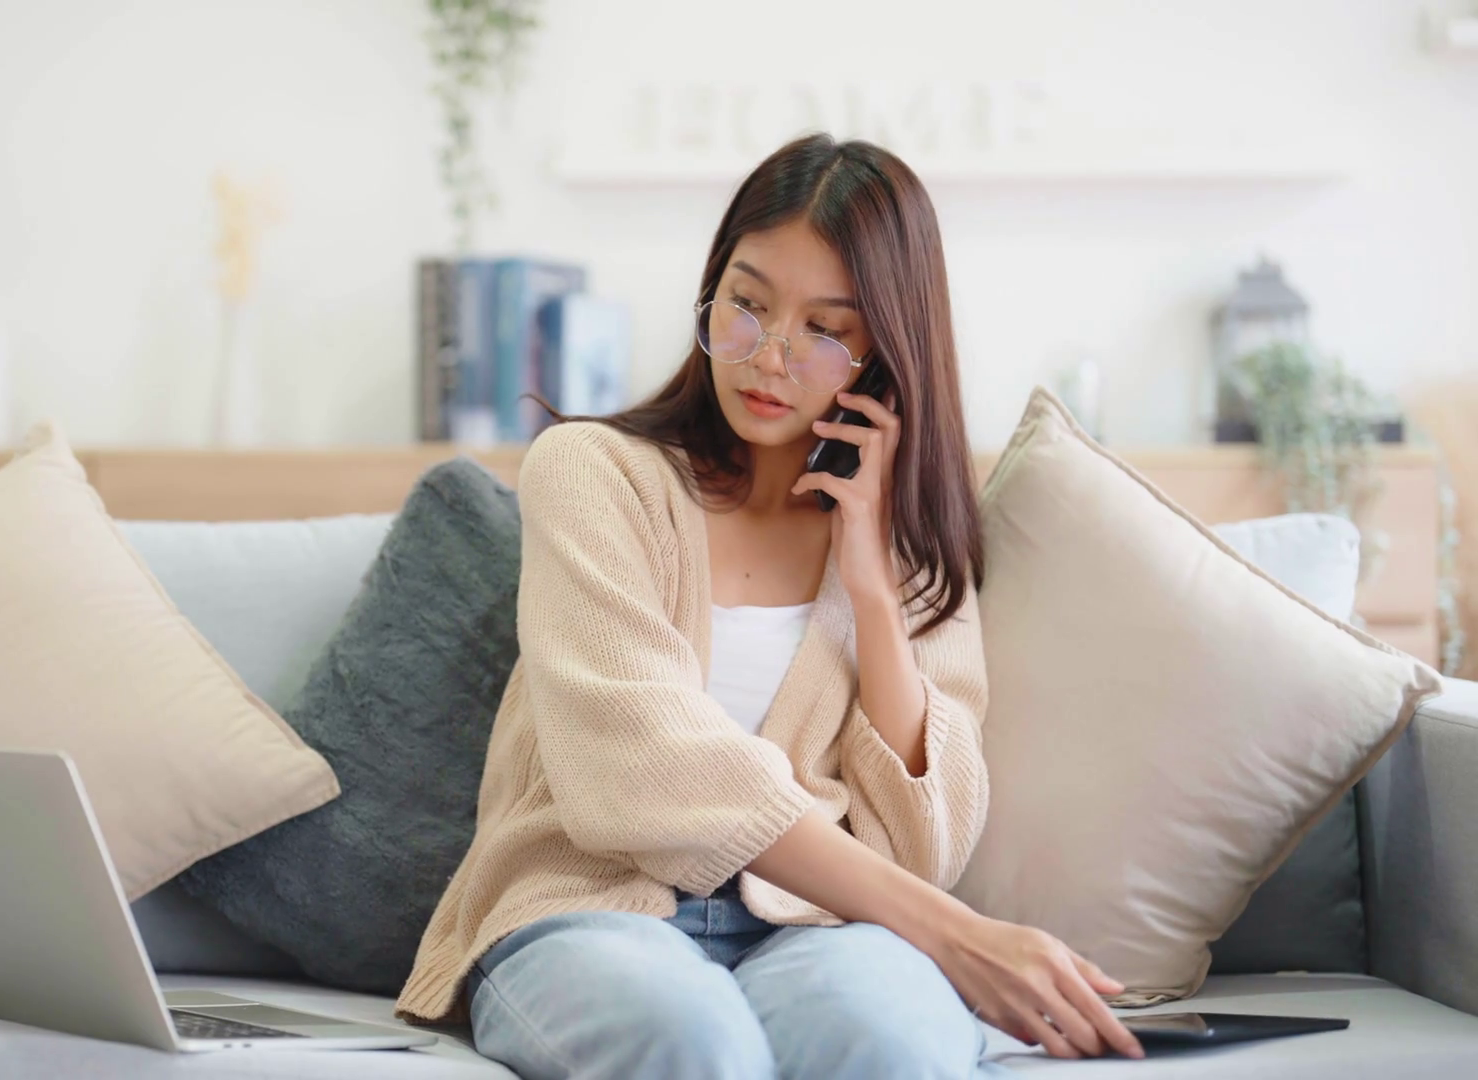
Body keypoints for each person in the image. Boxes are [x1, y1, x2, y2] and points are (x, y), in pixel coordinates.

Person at [394, 134, 1144, 1078]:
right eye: (747, 306)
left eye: (826, 332)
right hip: (589, 908)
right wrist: (956, 935)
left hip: (822, 931)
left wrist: (872, 587)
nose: (768, 357)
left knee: (894, 1045)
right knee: (694, 1042)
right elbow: (636, 769)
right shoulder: (594, 475)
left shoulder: (912, 548)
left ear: (885, 356)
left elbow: (926, 844)